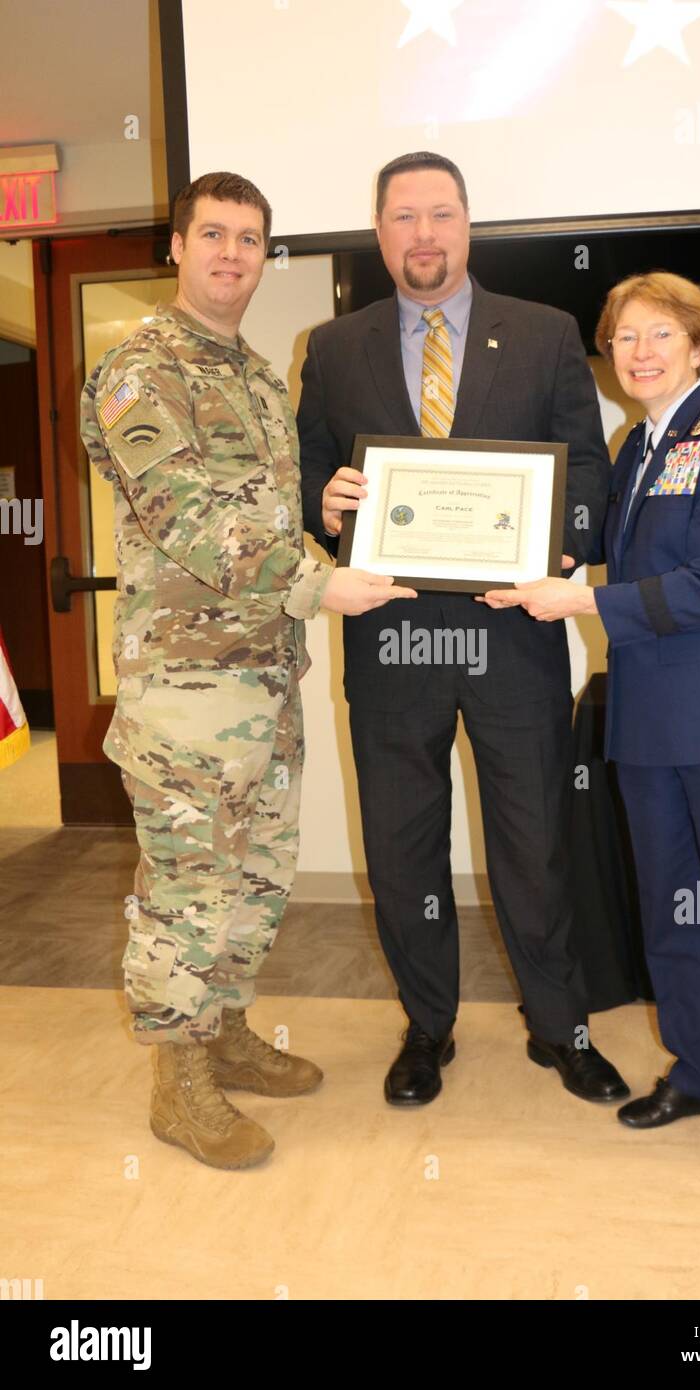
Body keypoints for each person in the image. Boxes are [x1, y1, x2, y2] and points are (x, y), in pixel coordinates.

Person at [80, 171, 415, 1169]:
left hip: (262, 678)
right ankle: (176, 1088)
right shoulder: (141, 366)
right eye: (213, 234)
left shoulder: (257, 373)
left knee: (255, 880)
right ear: (176, 246)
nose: (232, 254)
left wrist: (336, 525)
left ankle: (223, 1033)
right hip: (185, 692)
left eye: (250, 239)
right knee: (185, 892)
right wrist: (320, 586)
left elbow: (268, 517)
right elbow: (186, 515)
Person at [297, 151, 628, 1107]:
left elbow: (587, 478)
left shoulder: (547, 332)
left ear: (468, 223)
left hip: (514, 641)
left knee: (534, 844)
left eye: (440, 214)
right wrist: (323, 503)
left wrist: (559, 558)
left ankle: (560, 1029)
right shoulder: (336, 346)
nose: (424, 236)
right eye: (404, 218)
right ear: (380, 231)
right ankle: (427, 1029)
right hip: (390, 644)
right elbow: (309, 483)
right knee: (404, 849)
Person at [480, 272, 700, 1188]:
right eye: (624, 337)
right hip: (648, 725)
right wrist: (525, 560)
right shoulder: (635, 448)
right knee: (675, 919)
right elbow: (611, 560)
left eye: (659, 334)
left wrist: (580, 597)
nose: (639, 352)